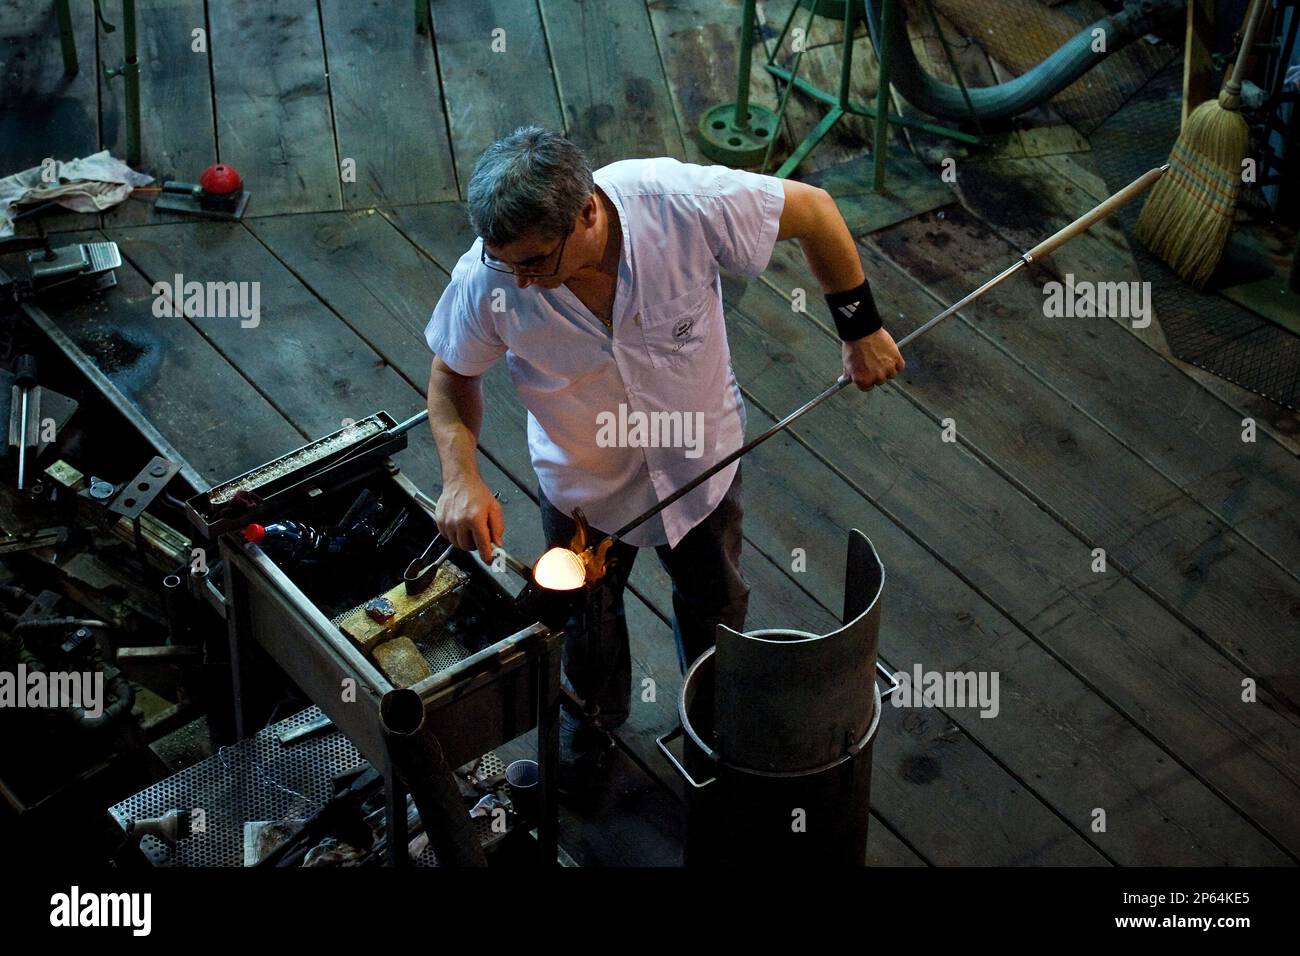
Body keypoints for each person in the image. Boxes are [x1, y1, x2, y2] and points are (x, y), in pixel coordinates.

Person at [424, 127, 904, 793]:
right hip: (582, 488)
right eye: (510, 265)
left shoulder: (680, 204)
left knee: (714, 602)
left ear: (587, 210)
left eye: (536, 261)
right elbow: (452, 377)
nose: (524, 280)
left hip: (699, 470)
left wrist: (861, 326)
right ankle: (591, 721)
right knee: (584, 615)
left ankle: (717, 725)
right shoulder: (491, 279)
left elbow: (815, 211)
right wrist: (460, 474)